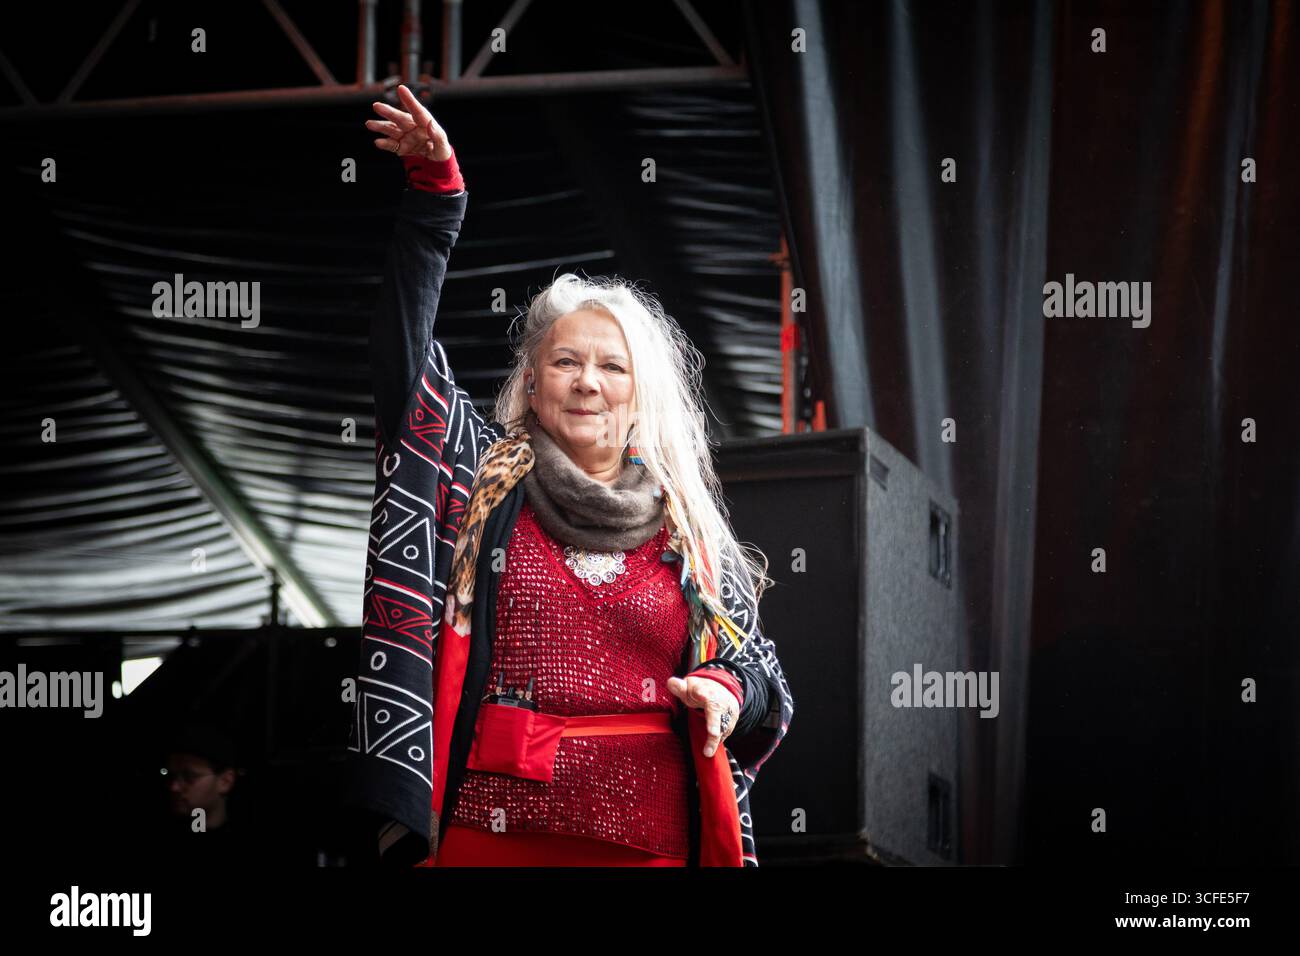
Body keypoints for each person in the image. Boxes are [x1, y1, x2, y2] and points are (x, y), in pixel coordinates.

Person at [345, 85, 793, 867]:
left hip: (649, 843)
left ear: (640, 396)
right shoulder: (480, 480)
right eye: (566, 361)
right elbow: (403, 363)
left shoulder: (691, 532)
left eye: (611, 366)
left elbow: (761, 677)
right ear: (533, 383)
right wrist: (436, 201)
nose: (588, 381)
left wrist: (725, 690)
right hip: (492, 835)